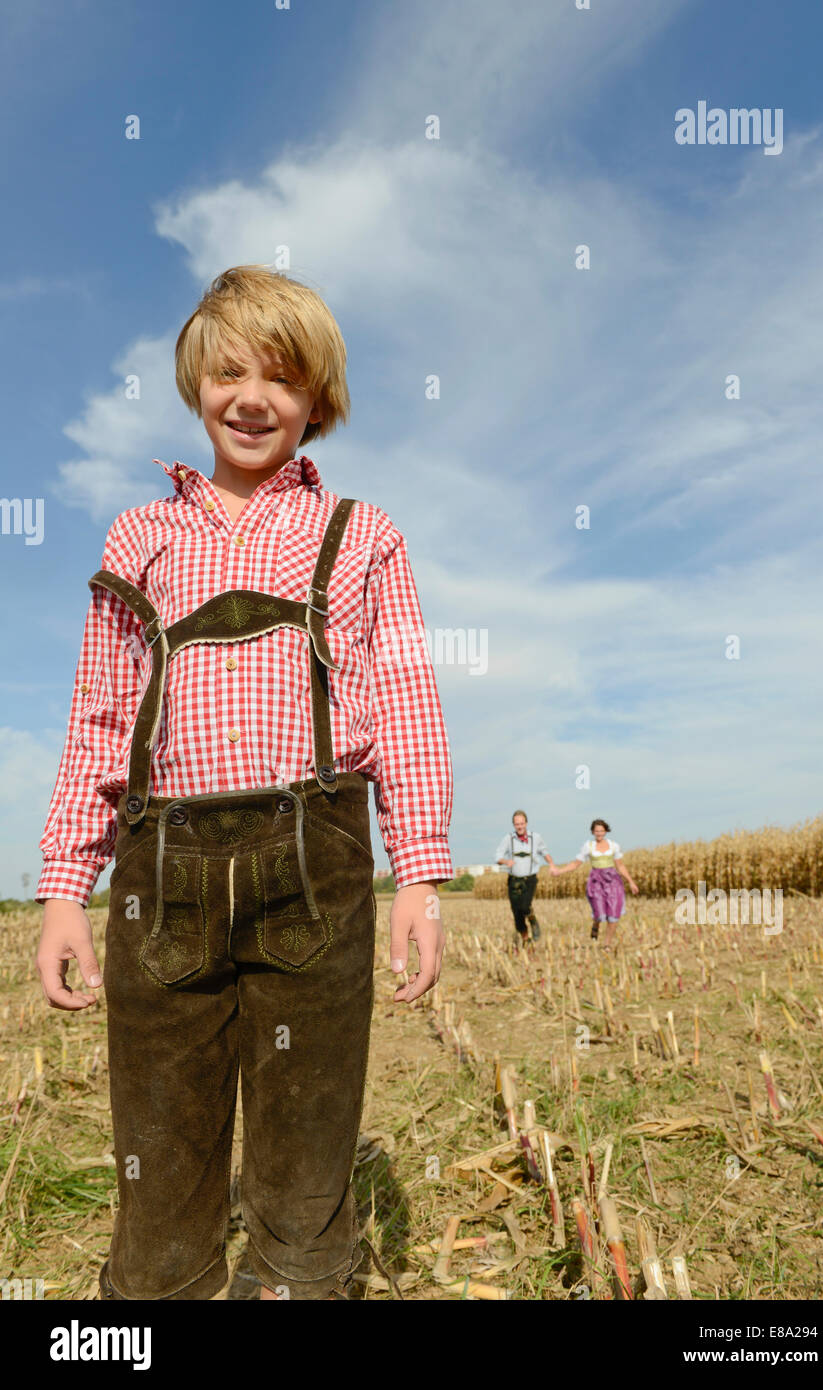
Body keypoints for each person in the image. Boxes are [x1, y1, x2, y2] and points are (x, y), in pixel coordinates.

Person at [32, 264, 454, 1302]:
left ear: (318, 399)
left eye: (282, 376)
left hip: (317, 871)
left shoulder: (360, 534)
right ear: (195, 382)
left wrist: (423, 873)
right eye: (229, 371)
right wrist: (60, 890)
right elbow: (99, 715)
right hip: (160, 879)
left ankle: (302, 1278)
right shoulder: (142, 536)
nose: (252, 396)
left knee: (307, 1161)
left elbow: (405, 703)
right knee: (160, 1154)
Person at [551, 817, 637, 945]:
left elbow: (620, 865)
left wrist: (630, 881)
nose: (599, 833)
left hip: (612, 881)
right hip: (596, 881)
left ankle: (606, 944)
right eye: (596, 831)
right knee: (599, 912)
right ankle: (596, 923)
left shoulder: (613, 846)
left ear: (606, 831)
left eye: (601, 831)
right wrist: (560, 871)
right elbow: (576, 864)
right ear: (592, 832)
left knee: (613, 913)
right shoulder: (589, 846)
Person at [494, 810, 554, 946]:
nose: (520, 826)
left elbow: (545, 852)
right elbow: (497, 856)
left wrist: (551, 865)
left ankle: (532, 920)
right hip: (514, 880)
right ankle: (526, 939)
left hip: (530, 879)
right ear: (514, 825)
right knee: (517, 913)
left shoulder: (536, 838)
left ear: (526, 823)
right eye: (517, 824)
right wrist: (505, 861)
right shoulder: (508, 839)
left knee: (525, 906)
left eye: (522, 823)